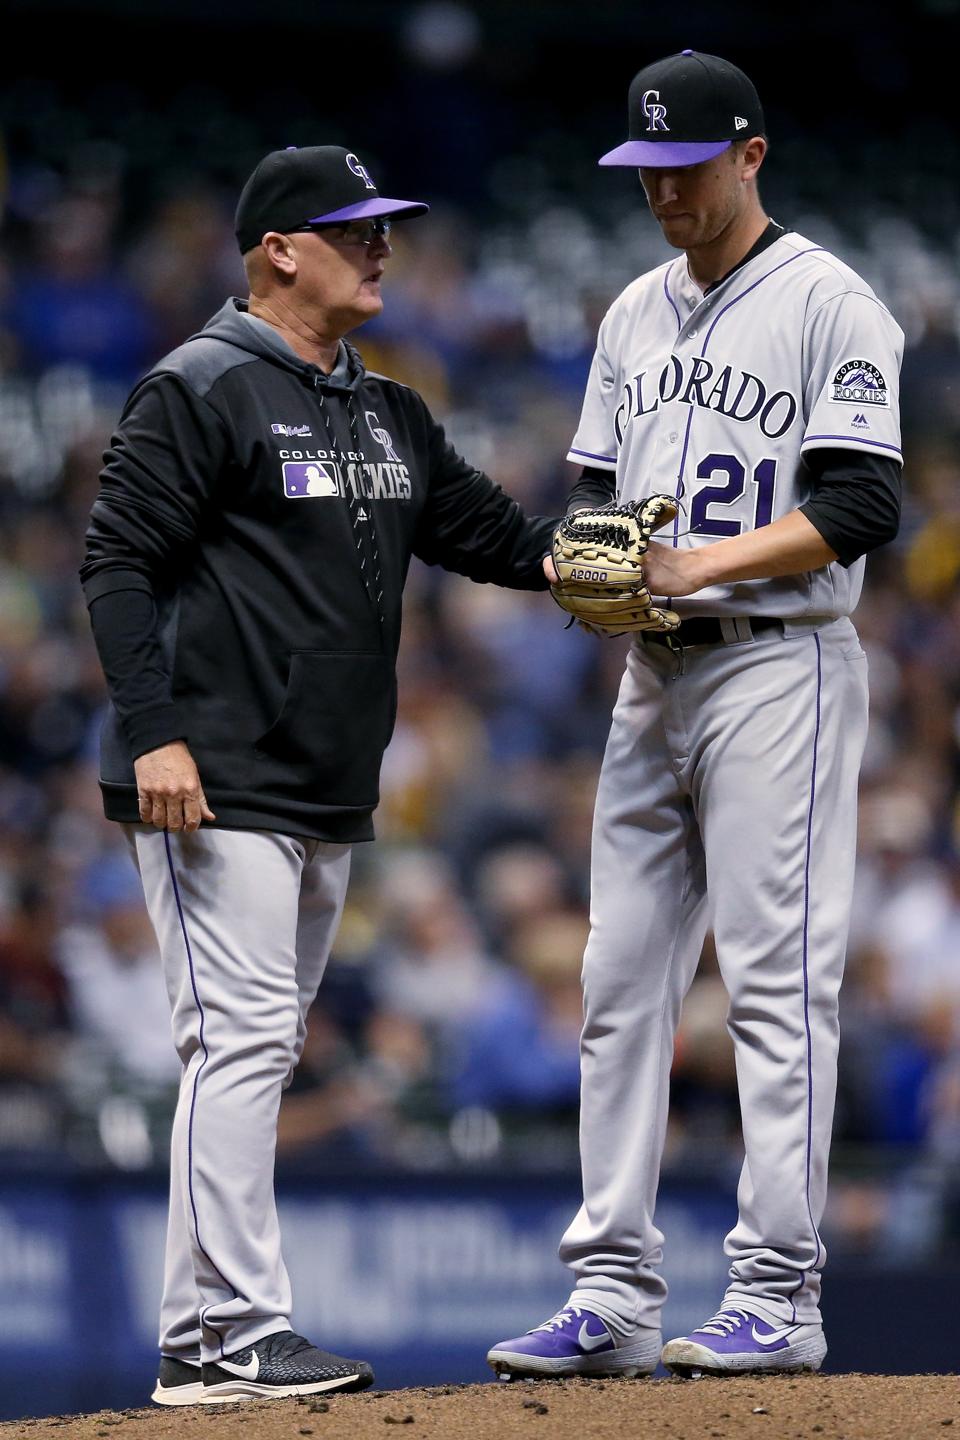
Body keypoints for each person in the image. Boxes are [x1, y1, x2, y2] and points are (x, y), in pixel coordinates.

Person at [80, 144, 556, 1406]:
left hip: (324, 778)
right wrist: (153, 732)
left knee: (260, 1047)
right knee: (236, 1041)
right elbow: (117, 565)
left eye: (389, 227)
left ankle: (200, 1339)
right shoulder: (199, 385)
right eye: (356, 229)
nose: (384, 246)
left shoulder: (388, 408)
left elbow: (497, 538)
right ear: (279, 248)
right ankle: (237, 1326)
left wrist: (600, 559)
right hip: (212, 768)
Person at [488, 49, 904, 1380]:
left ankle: (779, 1292)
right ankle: (610, 1288)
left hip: (784, 663)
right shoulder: (629, 314)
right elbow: (599, 502)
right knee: (616, 983)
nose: (663, 192)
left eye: (685, 168)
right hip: (651, 676)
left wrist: (695, 566)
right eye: (646, 172)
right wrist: (577, 560)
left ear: (752, 154)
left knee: (777, 982)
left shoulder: (834, 302)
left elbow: (859, 508)